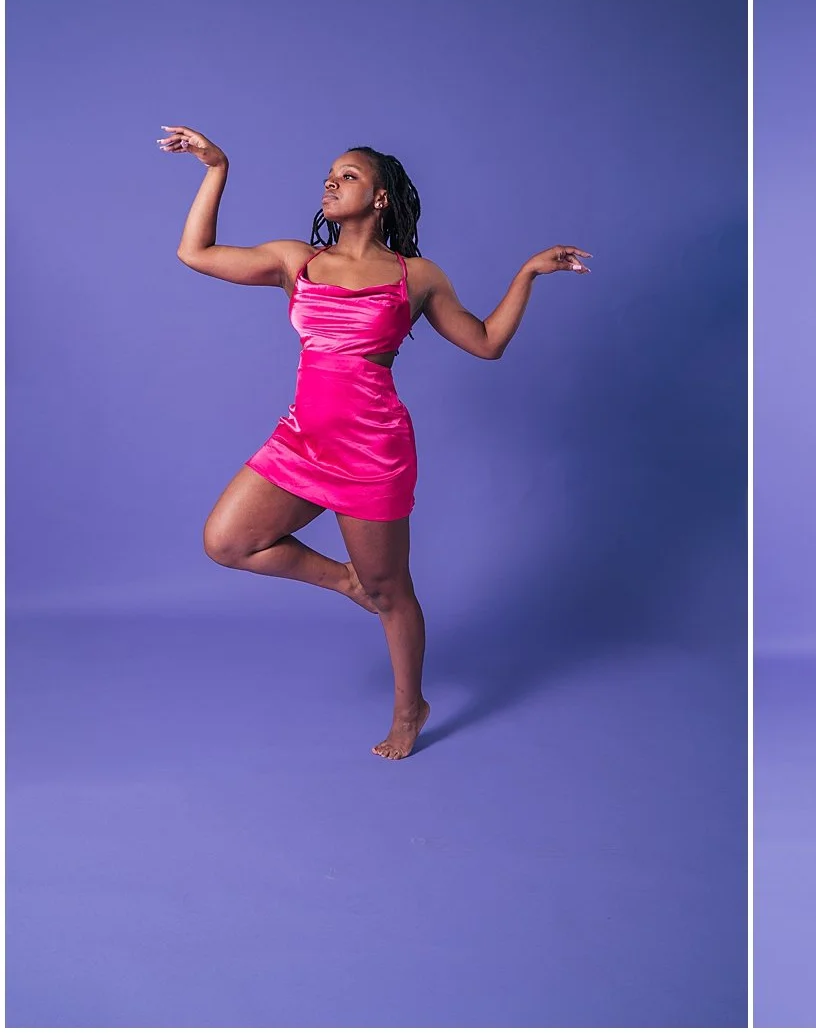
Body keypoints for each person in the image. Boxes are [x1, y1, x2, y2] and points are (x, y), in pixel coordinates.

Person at [160, 125, 590, 760]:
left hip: (373, 450)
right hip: (301, 440)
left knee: (392, 591)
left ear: (382, 197)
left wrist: (527, 272)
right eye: (329, 174)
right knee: (226, 541)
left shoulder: (417, 276)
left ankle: (408, 709)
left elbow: (487, 343)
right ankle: (346, 583)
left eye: (350, 175)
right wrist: (216, 167)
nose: (331, 182)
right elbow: (195, 252)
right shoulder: (295, 260)